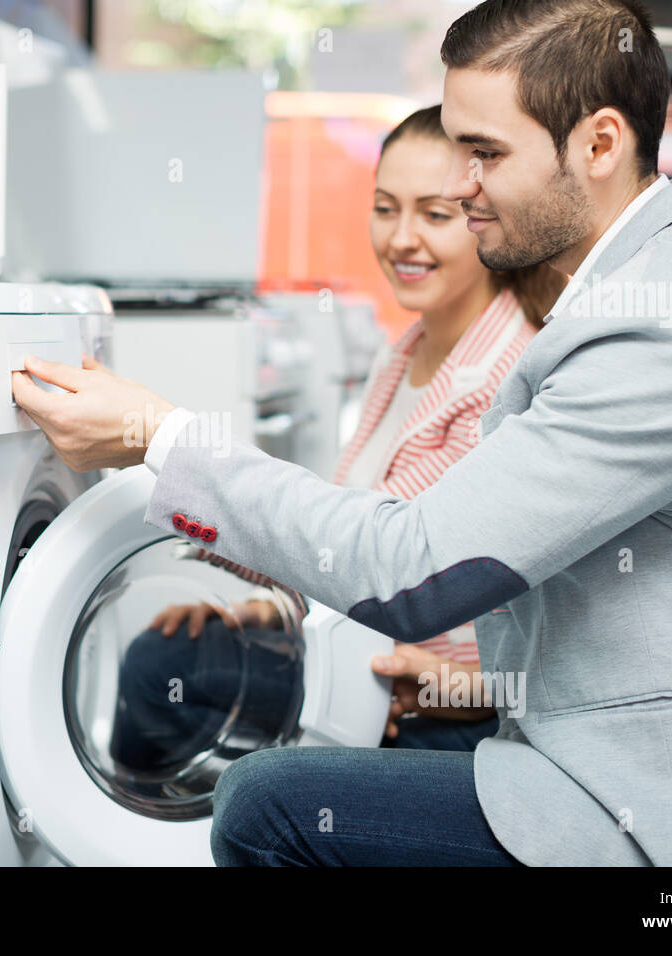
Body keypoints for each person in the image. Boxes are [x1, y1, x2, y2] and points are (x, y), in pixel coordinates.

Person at [13, 0, 672, 866]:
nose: (463, 182)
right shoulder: (657, 283)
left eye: (484, 154)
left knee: (266, 805)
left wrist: (158, 435)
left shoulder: (666, 323)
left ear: (598, 145)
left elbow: (414, 568)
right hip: (609, 768)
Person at [120, 104, 566, 761]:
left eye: (435, 215)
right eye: (385, 208)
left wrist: (160, 445)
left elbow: (396, 558)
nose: (402, 239)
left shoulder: (508, 374)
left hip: (437, 694)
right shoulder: (404, 350)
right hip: (362, 646)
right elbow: (340, 531)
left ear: (484, 215)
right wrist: (270, 612)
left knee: (159, 667)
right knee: (175, 649)